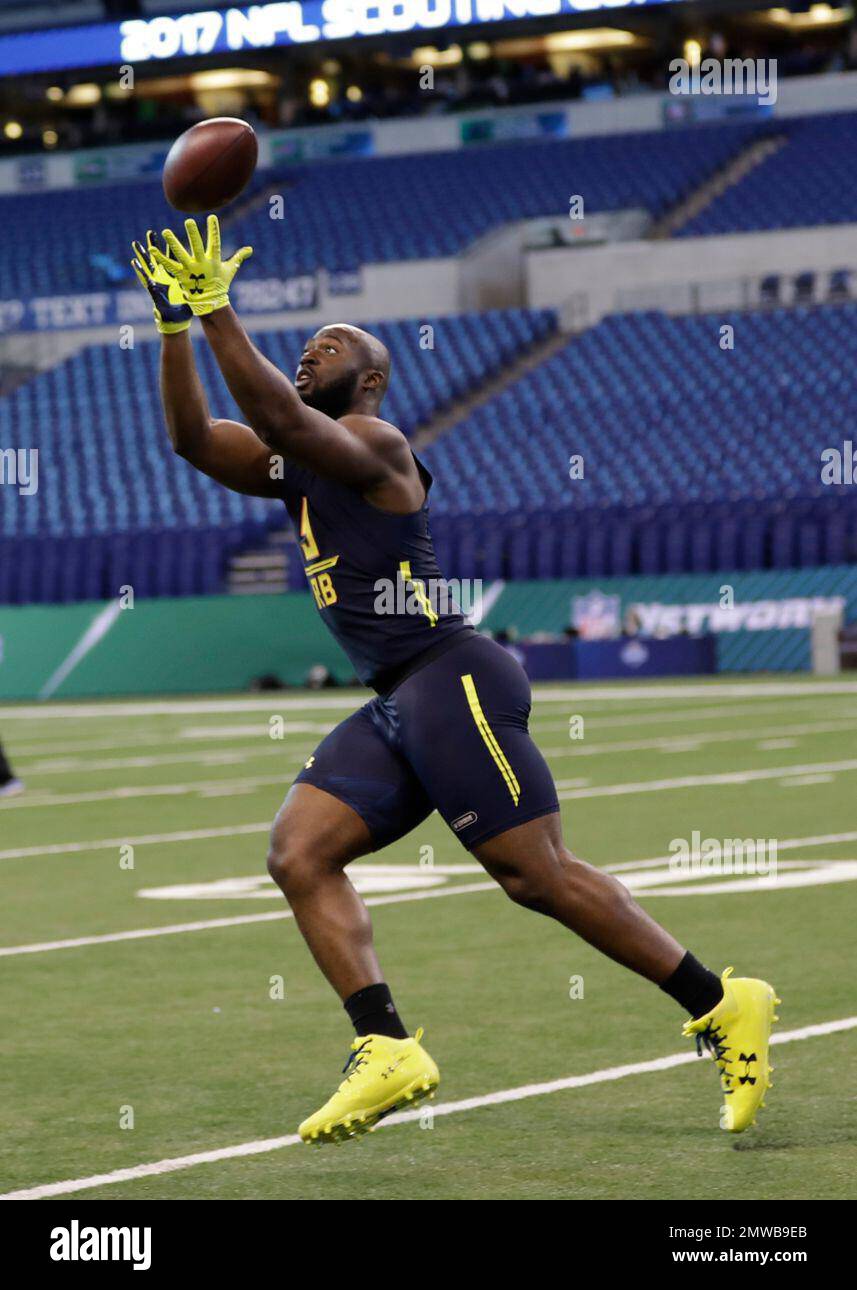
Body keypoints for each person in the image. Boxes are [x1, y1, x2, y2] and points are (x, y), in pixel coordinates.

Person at [132, 218, 779, 1146]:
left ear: (373, 379)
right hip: (397, 696)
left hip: (451, 675)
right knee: (298, 853)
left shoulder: (378, 444)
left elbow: (278, 417)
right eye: (308, 346)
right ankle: (387, 1047)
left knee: (533, 876)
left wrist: (216, 306)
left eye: (333, 345)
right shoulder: (297, 469)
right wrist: (171, 330)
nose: (313, 352)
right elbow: (195, 438)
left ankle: (723, 1003)